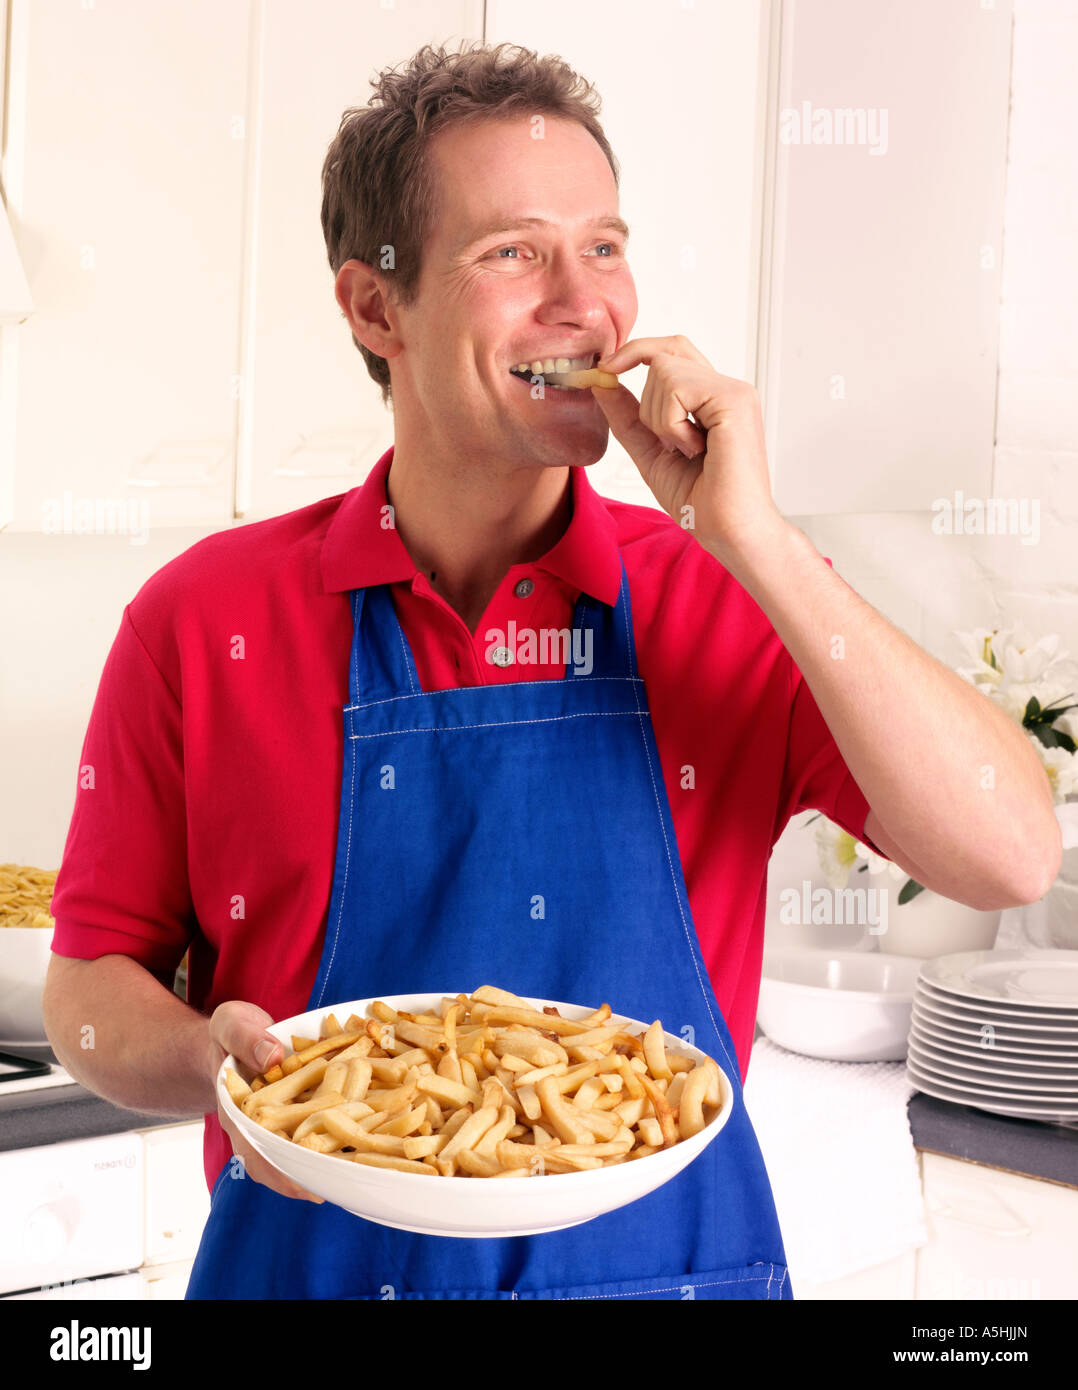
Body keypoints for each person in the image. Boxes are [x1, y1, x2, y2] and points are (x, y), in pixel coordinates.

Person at [42, 41, 1060, 1301]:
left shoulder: (724, 595)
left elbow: (1011, 855)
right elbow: (88, 989)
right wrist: (209, 1061)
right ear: (375, 308)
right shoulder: (204, 619)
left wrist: (757, 539)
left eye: (606, 245)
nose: (585, 303)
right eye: (514, 252)